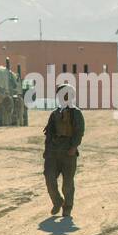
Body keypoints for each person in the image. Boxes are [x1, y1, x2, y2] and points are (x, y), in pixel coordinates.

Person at [44, 84, 84, 217]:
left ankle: (67, 207)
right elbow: (49, 133)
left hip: (68, 152)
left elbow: (79, 132)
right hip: (53, 152)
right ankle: (57, 201)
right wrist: (47, 150)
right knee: (49, 178)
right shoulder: (54, 113)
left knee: (67, 183)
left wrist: (73, 147)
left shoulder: (76, 113)